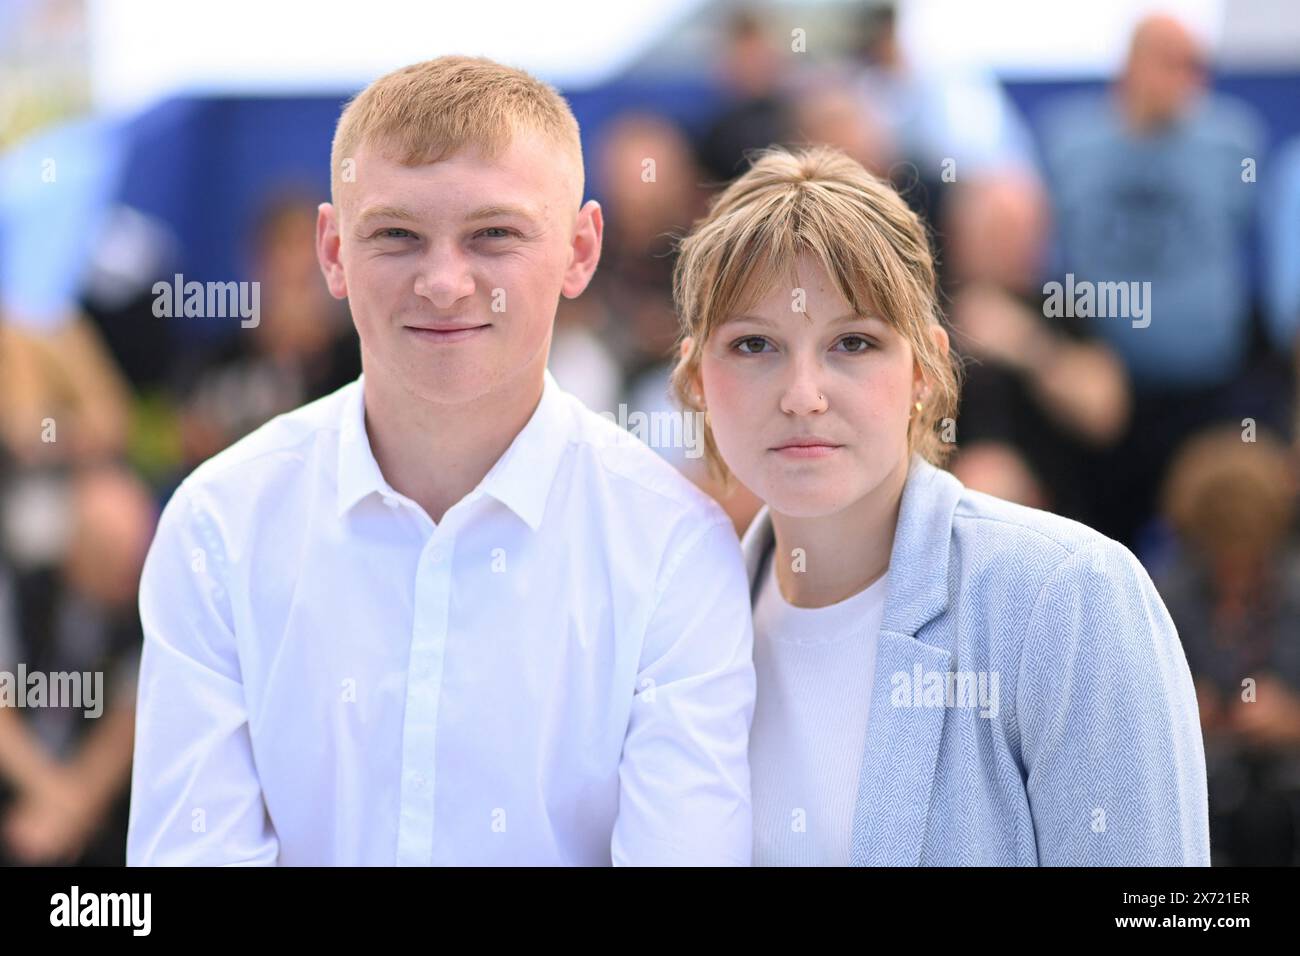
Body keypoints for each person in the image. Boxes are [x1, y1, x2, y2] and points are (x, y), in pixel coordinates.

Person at [126, 56, 755, 866]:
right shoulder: (220, 526)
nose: (446, 282)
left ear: (580, 249)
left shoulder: (672, 547)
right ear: (333, 251)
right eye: (396, 235)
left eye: (494, 234)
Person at [671, 144, 1208, 865]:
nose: (803, 395)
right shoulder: (677, 632)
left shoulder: (1068, 596)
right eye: (754, 345)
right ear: (696, 376)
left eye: (853, 342)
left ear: (924, 367)